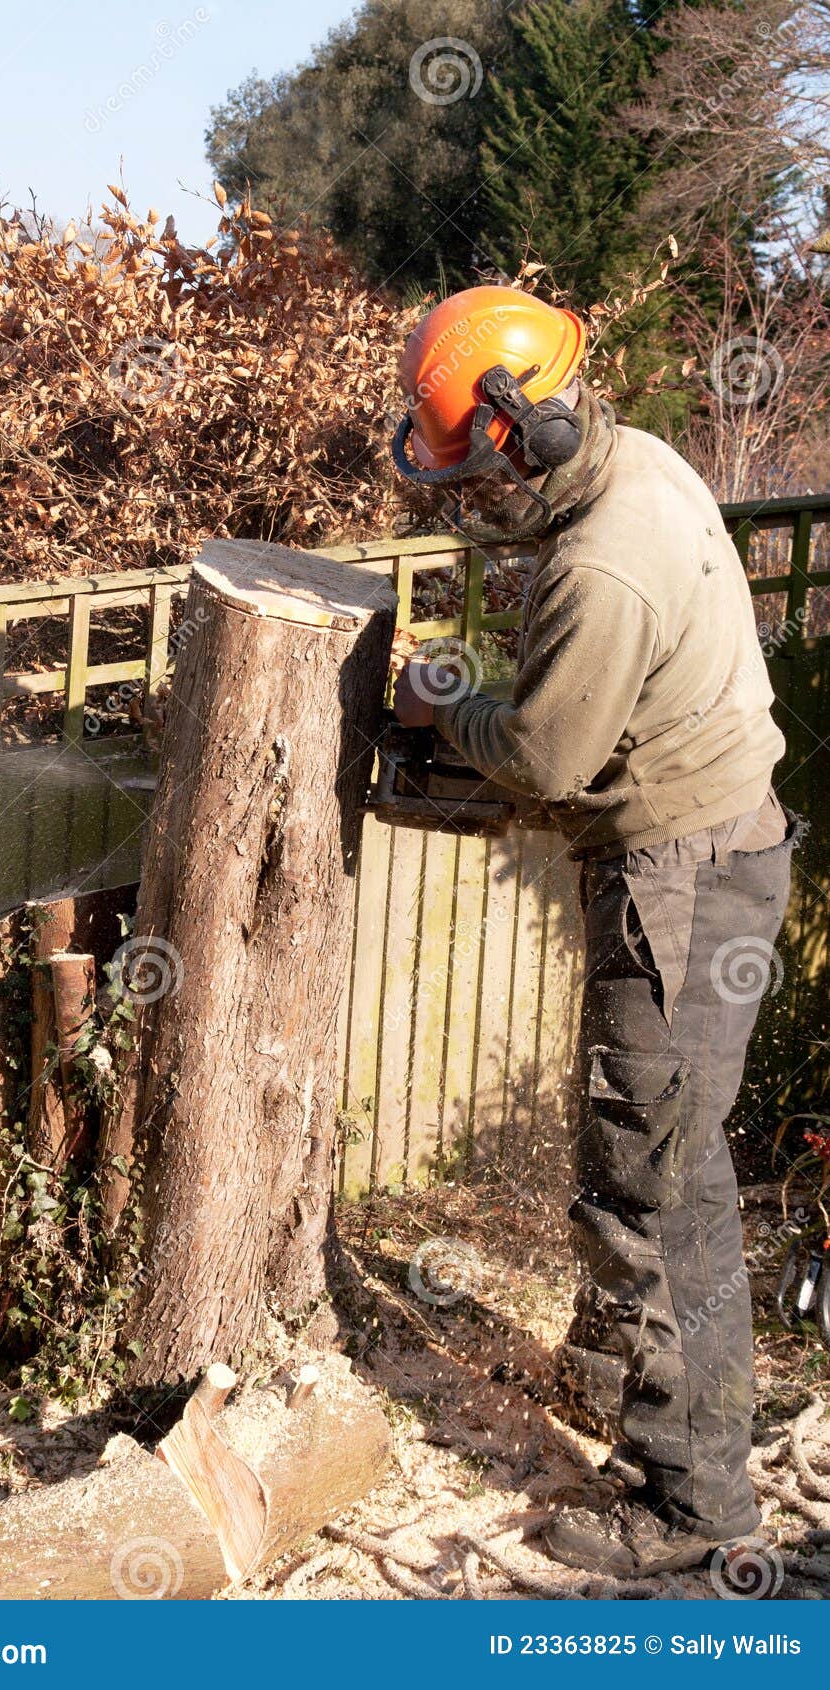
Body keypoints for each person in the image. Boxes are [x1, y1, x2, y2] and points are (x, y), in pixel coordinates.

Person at [391, 284, 800, 1578]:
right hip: (724, 844)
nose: (471, 498)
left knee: (656, 1186)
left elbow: (550, 756)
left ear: (523, 429)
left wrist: (438, 697)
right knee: (671, 1167)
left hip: (677, 880)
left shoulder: (600, 562)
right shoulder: (649, 472)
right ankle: (662, 1393)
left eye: (472, 471)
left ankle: (690, 1502)